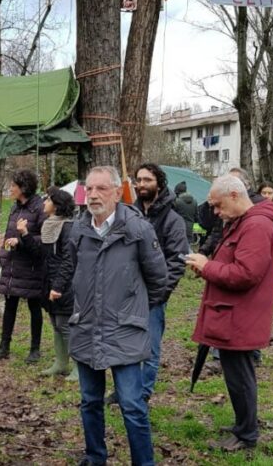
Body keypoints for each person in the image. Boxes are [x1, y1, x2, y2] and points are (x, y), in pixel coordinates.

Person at [66, 166, 168, 466]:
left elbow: (158, 279)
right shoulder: (78, 230)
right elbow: (72, 272)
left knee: (132, 404)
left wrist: (132, 310)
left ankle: (143, 462)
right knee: (90, 402)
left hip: (124, 330)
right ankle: (95, 456)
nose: (94, 195)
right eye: (90, 189)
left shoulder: (137, 229)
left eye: (102, 189)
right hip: (86, 329)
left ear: (118, 192)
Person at [185, 175, 273, 452]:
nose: (215, 212)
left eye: (217, 206)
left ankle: (247, 434)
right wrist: (208, 265)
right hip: (233, 314)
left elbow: (245, 274)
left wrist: (207, 267)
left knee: (240, 378)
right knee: (238, 375)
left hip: (241, 316)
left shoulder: (256, 226)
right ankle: (244, 425)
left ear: (234, 196)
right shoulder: (242, 222)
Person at [127, 163, 187, 402]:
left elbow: (177, 261)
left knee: (149, 349)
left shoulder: (173, 220)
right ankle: (126, 389)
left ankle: (142, 394)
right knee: (128, 345)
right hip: (128, 293)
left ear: (159, 184)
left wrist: (159, 293)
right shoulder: (129, 215)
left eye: (147, 180)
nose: (142, 184)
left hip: (154, 296)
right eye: (138, 180)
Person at [0, 168, 47, 364]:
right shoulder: (15, 208)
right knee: (10, 306)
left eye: (14, 185)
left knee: (34, 307)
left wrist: (22, 239)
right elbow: (8, 234)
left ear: (23, 187)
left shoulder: (39, 209)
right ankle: (3, 346)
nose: (11, 189)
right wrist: (2, 255)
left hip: (32, 267)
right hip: (13, 266)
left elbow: (44, 240)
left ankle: (35, 349)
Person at [37, 186, 77, 379]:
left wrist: (58, 286)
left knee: (66, 324)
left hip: (64, 286)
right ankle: (61, 363)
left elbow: (69, 260)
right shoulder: (49, 224)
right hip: (50, 282)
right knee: (56, 323)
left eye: (48, 200)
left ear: (57, 205)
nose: (44, 203)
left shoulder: (68, 227)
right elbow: (45, 256)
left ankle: (79, 367)